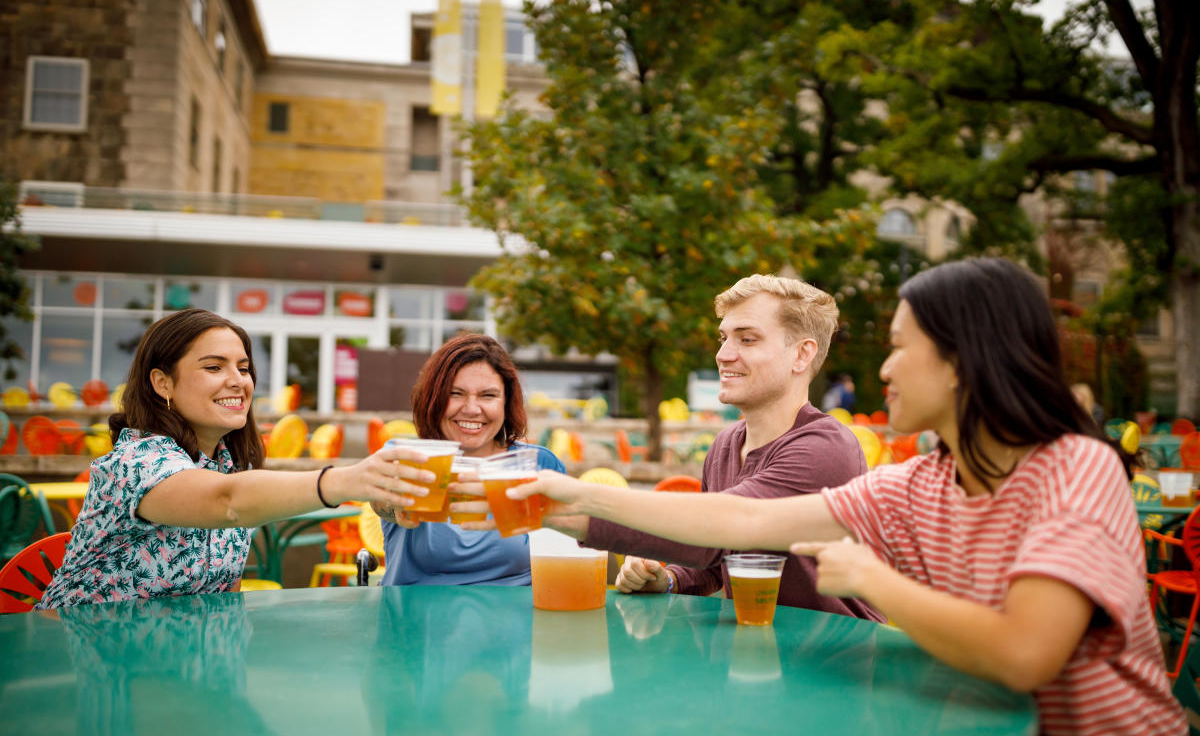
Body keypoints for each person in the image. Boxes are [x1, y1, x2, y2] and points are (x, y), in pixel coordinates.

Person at [491, 258, 1193, 736]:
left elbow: (1024, 655)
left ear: (964, 358)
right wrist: (565, 506)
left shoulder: (1075, 467)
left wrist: (875, 583)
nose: (882, 367)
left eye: (899, 345)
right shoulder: (917, 484)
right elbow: (739, 519)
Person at [37, 310, 433, 610]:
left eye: (244, 368)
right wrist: (351, 480)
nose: (238, 380)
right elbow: (227, 502)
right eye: (214, 367)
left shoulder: (229, 465)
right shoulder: (135, 462)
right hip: (89, 669)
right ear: (162, 383)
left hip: (184, 677)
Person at [593, 274, 880, 621]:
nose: (723, 355)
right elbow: (716, 560)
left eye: (747, 339)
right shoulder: (726, 444)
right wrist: (667, 580)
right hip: (756, 656)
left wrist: (582, 508)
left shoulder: (826, 446)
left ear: (802, 355)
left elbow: (729, 524)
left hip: (832, 664)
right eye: (724, 338)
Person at [371, 333, 565, 586]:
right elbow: (381, 499)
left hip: (516, 619)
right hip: (418, 620)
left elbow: (570, 544)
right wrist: (392, 501)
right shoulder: (405, 457)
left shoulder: (538, 463)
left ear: (507, 403)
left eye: (488, 396)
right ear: (434, 399)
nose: (472, 409)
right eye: (456, 393)